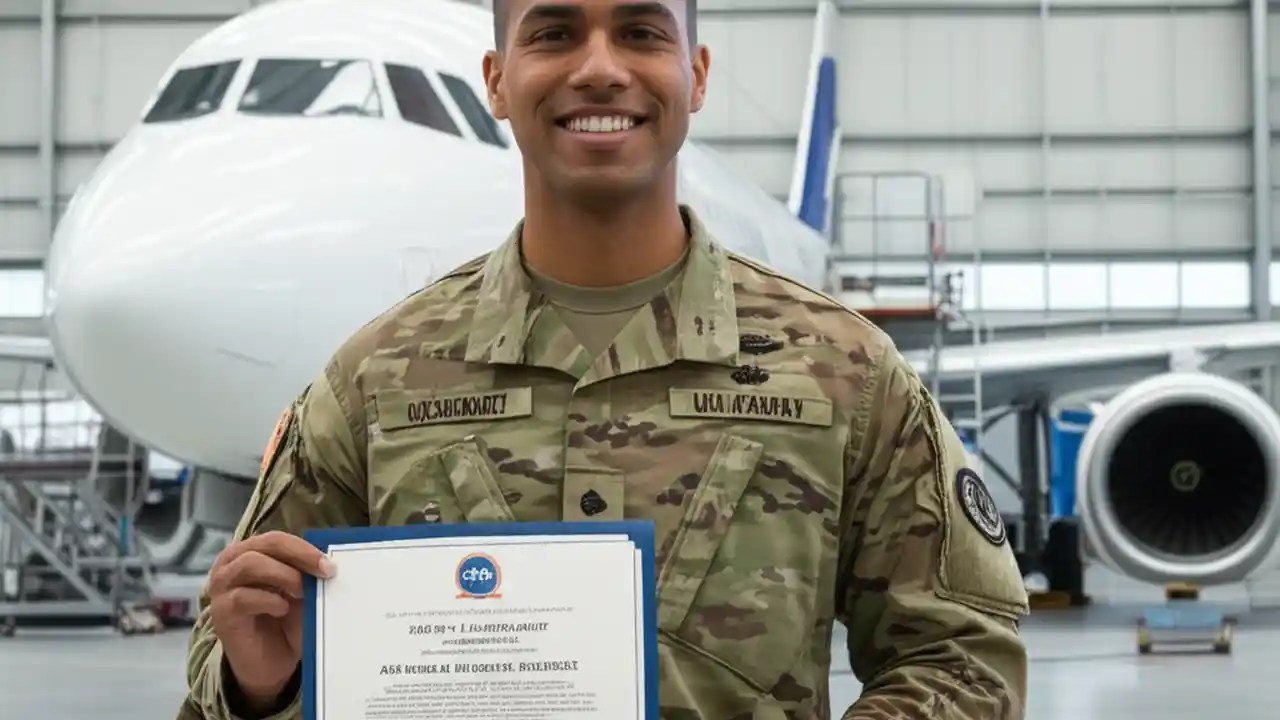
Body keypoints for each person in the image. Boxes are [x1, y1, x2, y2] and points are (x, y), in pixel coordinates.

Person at [176, 0, 1030, 717]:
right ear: (497, 81)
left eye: (640, 33)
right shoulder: (373, 381)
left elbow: (965, 657)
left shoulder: (845, 369)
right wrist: (262, 682)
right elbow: (229, 669)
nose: (598, 67)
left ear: (695, 75)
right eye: (552, 34)